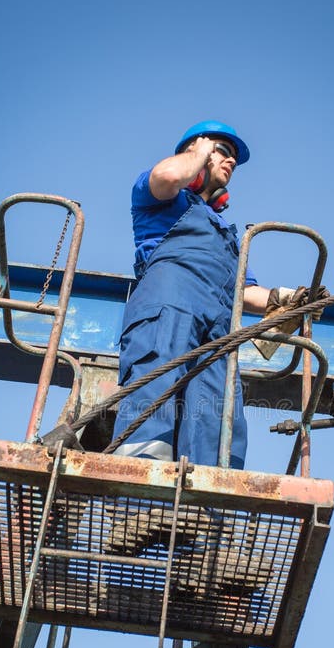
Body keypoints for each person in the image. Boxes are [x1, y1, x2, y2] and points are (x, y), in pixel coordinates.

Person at [111, 120, 310, 471]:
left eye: (233, 157)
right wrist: (198, 153)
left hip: (219, 329)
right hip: (167, 309)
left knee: (219, 413)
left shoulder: (227, 236)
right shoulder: (157, 196)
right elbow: (170, 177)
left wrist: (290, 300)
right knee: (154, 387)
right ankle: (138, 494)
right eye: (224, 151)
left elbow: (246, 291)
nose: (231, 162)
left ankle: (209, 507)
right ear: (195, 152)